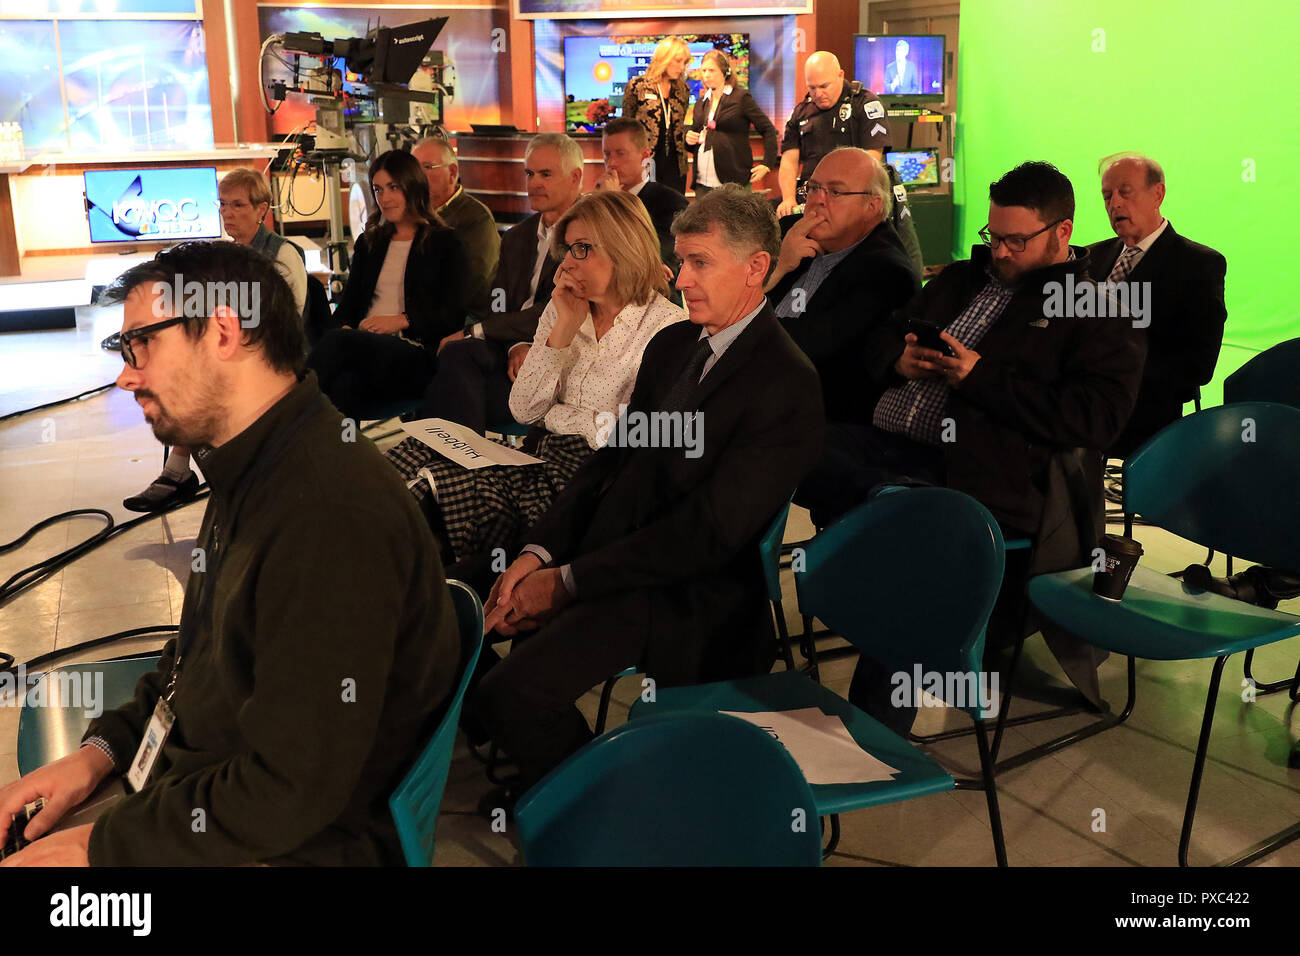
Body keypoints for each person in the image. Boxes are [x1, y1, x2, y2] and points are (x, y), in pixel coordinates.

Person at [0, 241, 459, 865]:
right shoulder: (255, 459)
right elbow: (198, 653)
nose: (125, 374)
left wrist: (101, 845)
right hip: (213, 797)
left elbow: (289, 791)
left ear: (222, 330)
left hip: (294, 844)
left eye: (142, 344)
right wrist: (101, 754)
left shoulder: (327, 514)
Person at [469, 183, 824, 802]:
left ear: (757, 268)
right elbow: (607, 465)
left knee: (512, 693)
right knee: (449, 602)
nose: (681, 279)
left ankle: (595, 806)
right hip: (614, 558)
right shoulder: (675, 345)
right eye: (681, 261)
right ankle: (558, 779)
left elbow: (705, 536)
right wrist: (537, 554)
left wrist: (568, 581)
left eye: (700, 263)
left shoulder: (784, 383)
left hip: (683, 594)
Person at [796, 162, 1146, 730]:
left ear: (1062, 232)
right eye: (994, 236)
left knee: (911, 536)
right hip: (883, 448)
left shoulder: (1099, 310)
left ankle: (873, 735)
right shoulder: (961, 278)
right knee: (765, 449)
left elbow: (1097, 419)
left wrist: (979, 377)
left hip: (976, 476)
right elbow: (884, 333)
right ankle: (733, 642)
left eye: (1017, 240)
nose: (1002, 252)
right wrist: (897, 359)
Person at [386, 190, 684, 587]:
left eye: (581, 249)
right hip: (539, 457)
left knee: (433, 487)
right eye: (566, 250)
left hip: (595, 479)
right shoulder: (565, 307)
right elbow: (525, 411)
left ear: (623, 246)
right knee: (407, 462)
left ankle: (435, 609)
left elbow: (634, 434)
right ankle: (417, 602)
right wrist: (561, 329)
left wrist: (560, 416)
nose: (567, 264)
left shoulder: (665, 327)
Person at [122, 166, 308, 513]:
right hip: (233, 349)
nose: (228, 214)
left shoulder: (283, 255)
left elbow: (284, 323)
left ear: (262, 209)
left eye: (237, 205)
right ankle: (186, 473)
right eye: (223, 205)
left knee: (201, 384)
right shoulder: (222, 258)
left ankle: (181, 474)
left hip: (273, 356)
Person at [420, 133, 584, 435]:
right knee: (455, 355)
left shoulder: (588, 235)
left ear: (575, 178)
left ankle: (458, 466)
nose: (533, 183)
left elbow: (557, 309)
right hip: (511, 345)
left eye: (545, 174)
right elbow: (497, 302)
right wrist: (514, 345)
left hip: (562, 352)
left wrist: (481, 331)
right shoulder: (516, 236)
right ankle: (460, 461)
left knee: (459, 366)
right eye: (529, 173)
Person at [307, 149, 467, 421]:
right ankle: (343, 459)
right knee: (343, 389)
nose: (385, 198)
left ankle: (282, 407)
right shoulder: (370, 243)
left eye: (393, 187)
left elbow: (452, 315)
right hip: (360, 347)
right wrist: (345, 327)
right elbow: (347, 307)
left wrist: (402, 320)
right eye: (378, 190)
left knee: (335, 351)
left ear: (413, 187)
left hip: (414, 353)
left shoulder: (445, 243)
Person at [1086, 153, 1226, 458]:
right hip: (1076, 408)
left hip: (1144, 417)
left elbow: (1197, 365)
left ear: (1158, 193)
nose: (1115, 204)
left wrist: (1109, 372)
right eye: (1107, 196)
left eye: (1126, 192)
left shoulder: (1199, 265)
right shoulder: (1089, 259)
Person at [765, 148, 919, 424]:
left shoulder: (886, 273)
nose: (817, 202)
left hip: (815, 419)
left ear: (872, 205)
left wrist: (774, 273)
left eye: (835, 193)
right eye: (813, 189)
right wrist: (780, 266)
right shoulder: (789, 233)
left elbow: (801, 349)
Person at [777, 51, 923, 277]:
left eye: (824, 86)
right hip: (814, 203)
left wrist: (843, 198)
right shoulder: (801, 112)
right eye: (812, 88)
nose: (818, 93)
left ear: (840, 75)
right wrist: (788, 198)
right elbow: (788, 160)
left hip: (856, 202)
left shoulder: (865, 103)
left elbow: (872, 160)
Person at [412, 136, 501, 321]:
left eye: (427, 167)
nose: (416, 177)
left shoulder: (475, 217)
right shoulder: (409, 214)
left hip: (464, 319)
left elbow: (473, 284)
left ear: (452, 172)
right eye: (413, 169)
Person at [595, 117, 688, 269]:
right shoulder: (599, 200)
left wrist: (616, 203)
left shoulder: (672, 203)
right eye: (607, 154)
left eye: (621, 153)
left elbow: (651, 256)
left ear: (645, 156)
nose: (611, 163)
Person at [685, 49, 778, 196]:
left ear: (725, 72)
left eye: (712, 70)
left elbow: (768, 130)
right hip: (703, 183)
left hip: (733, 181)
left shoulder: (741, 98)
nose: (707, 75)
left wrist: (767, 164)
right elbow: (693, 142)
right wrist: (689, 139)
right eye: (704, 70)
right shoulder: (701, 103)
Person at [619, 36, 692, 193]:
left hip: (675, 164)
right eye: (678, 61)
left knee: (674, 211)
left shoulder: (683, 89)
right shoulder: (638, 86)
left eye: (684, 63)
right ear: (664, 58)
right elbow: (625, 126)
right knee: (645, 210)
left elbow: (679, 126)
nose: (681, 67)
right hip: (644, 161)